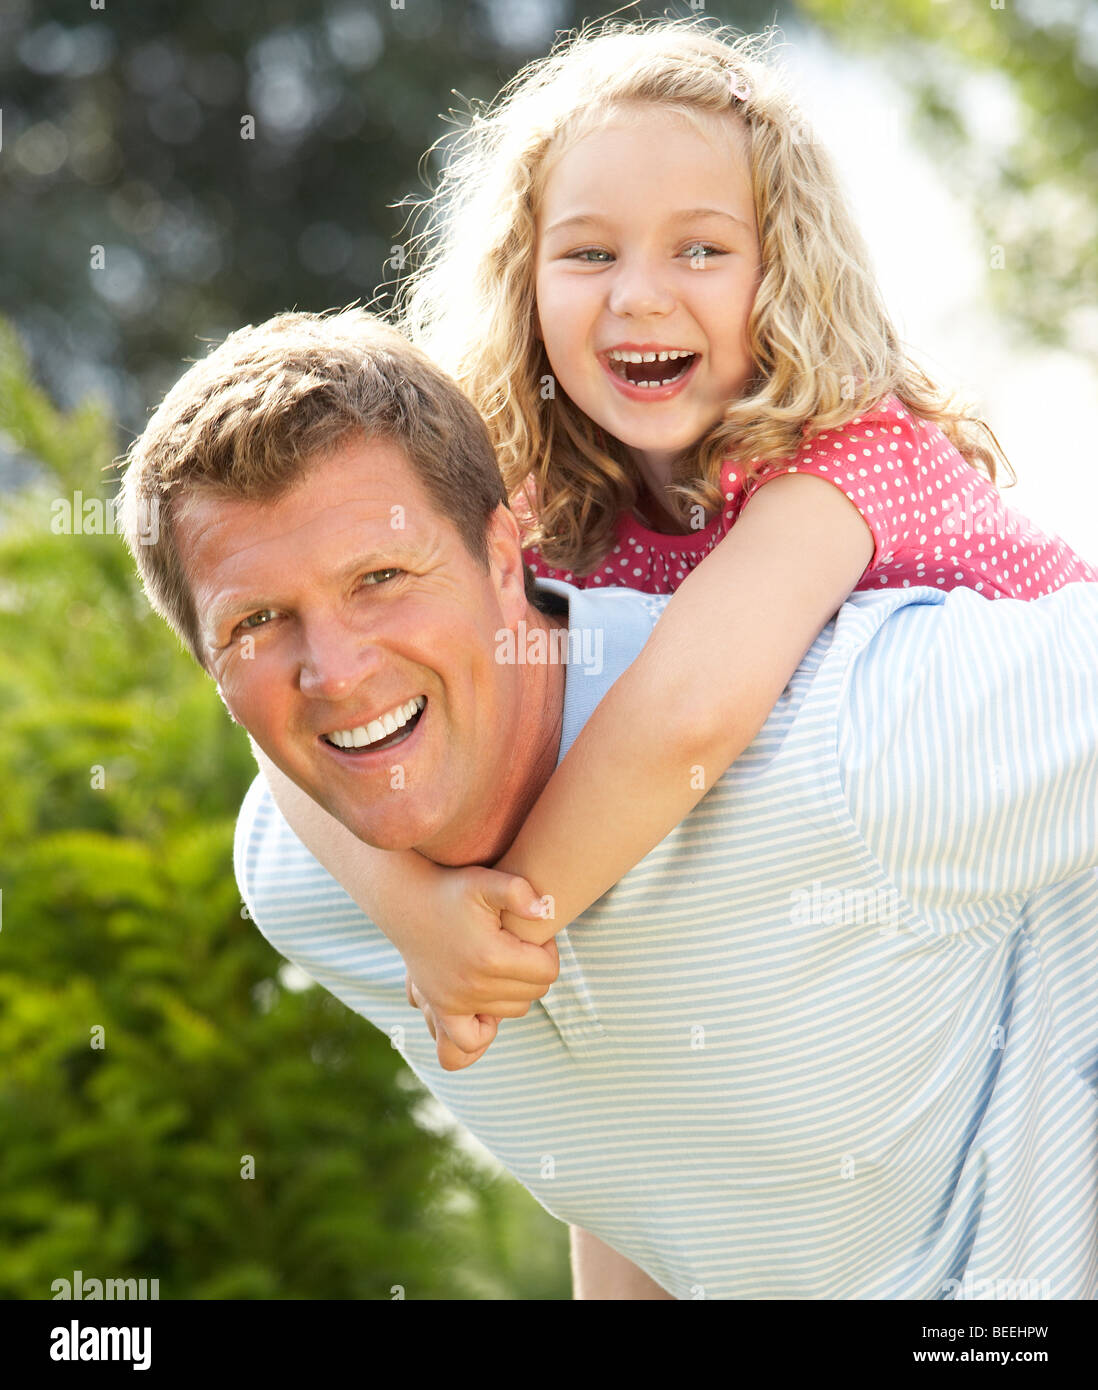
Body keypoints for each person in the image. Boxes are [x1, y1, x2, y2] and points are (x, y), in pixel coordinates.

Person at [118, 307, 1098, 1300]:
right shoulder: (307, 884)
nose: (335, 672)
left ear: (507, 557)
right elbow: (648, 1150)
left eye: (381, 577)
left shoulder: (849, 742)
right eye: (259, 620)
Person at [247, 19, 1098, 1070]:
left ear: (783, 273)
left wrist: (506, 934)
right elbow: (300, 684)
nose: (639, 293)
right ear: (526, 282)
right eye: (589, 252)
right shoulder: (541, 507)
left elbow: (687, 714)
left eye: (701, 248)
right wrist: (420, 915)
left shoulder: (848, 455)